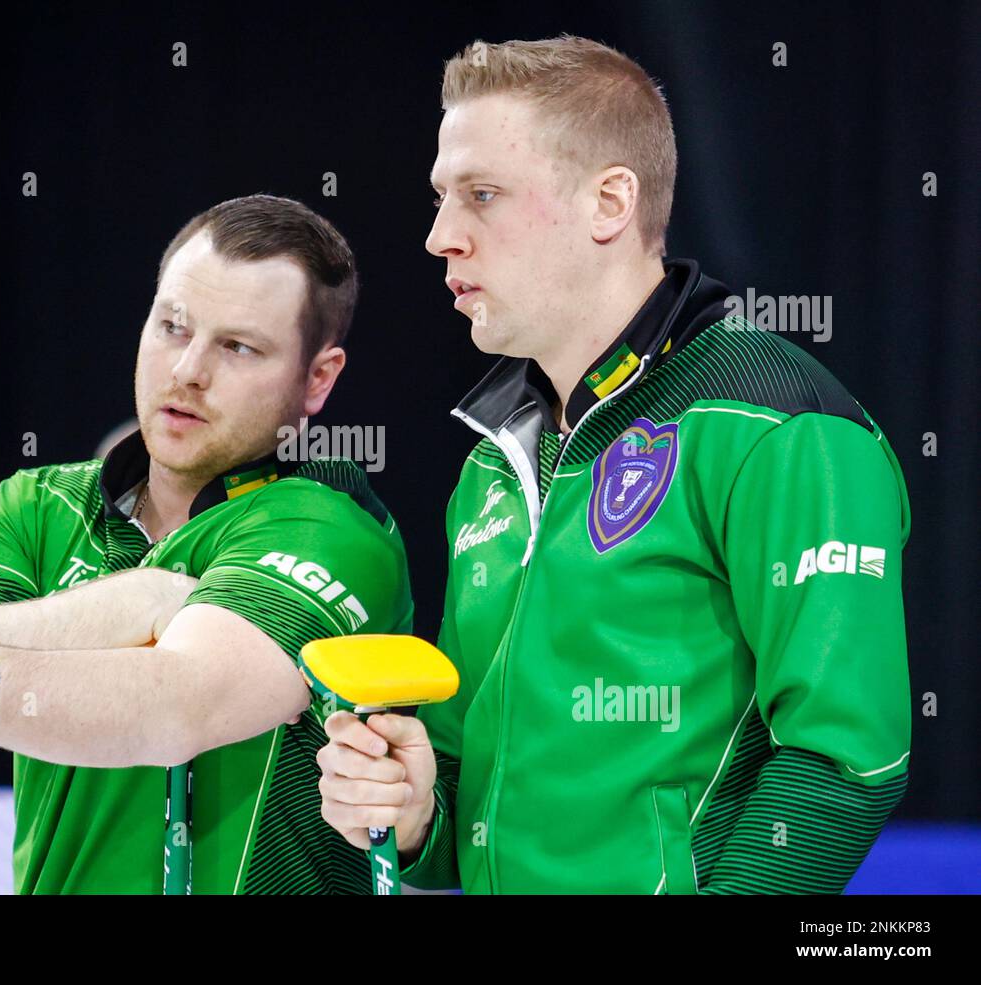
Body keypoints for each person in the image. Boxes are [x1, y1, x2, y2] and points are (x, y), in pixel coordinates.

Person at [317, 37, 911, 894]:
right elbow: (465, 792)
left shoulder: (778, 425)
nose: (440, 237)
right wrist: (415, 814)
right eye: (442, 198)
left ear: (609, 201)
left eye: (482, 195)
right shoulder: (494, 461)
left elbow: (849, 754)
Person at [0, 194, 414, 894]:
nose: (187, 369)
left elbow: (179, 706)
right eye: (172, 326)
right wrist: (144, 602)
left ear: (318, 378)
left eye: (238, 347)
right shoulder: (37, 504)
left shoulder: (331, 523)